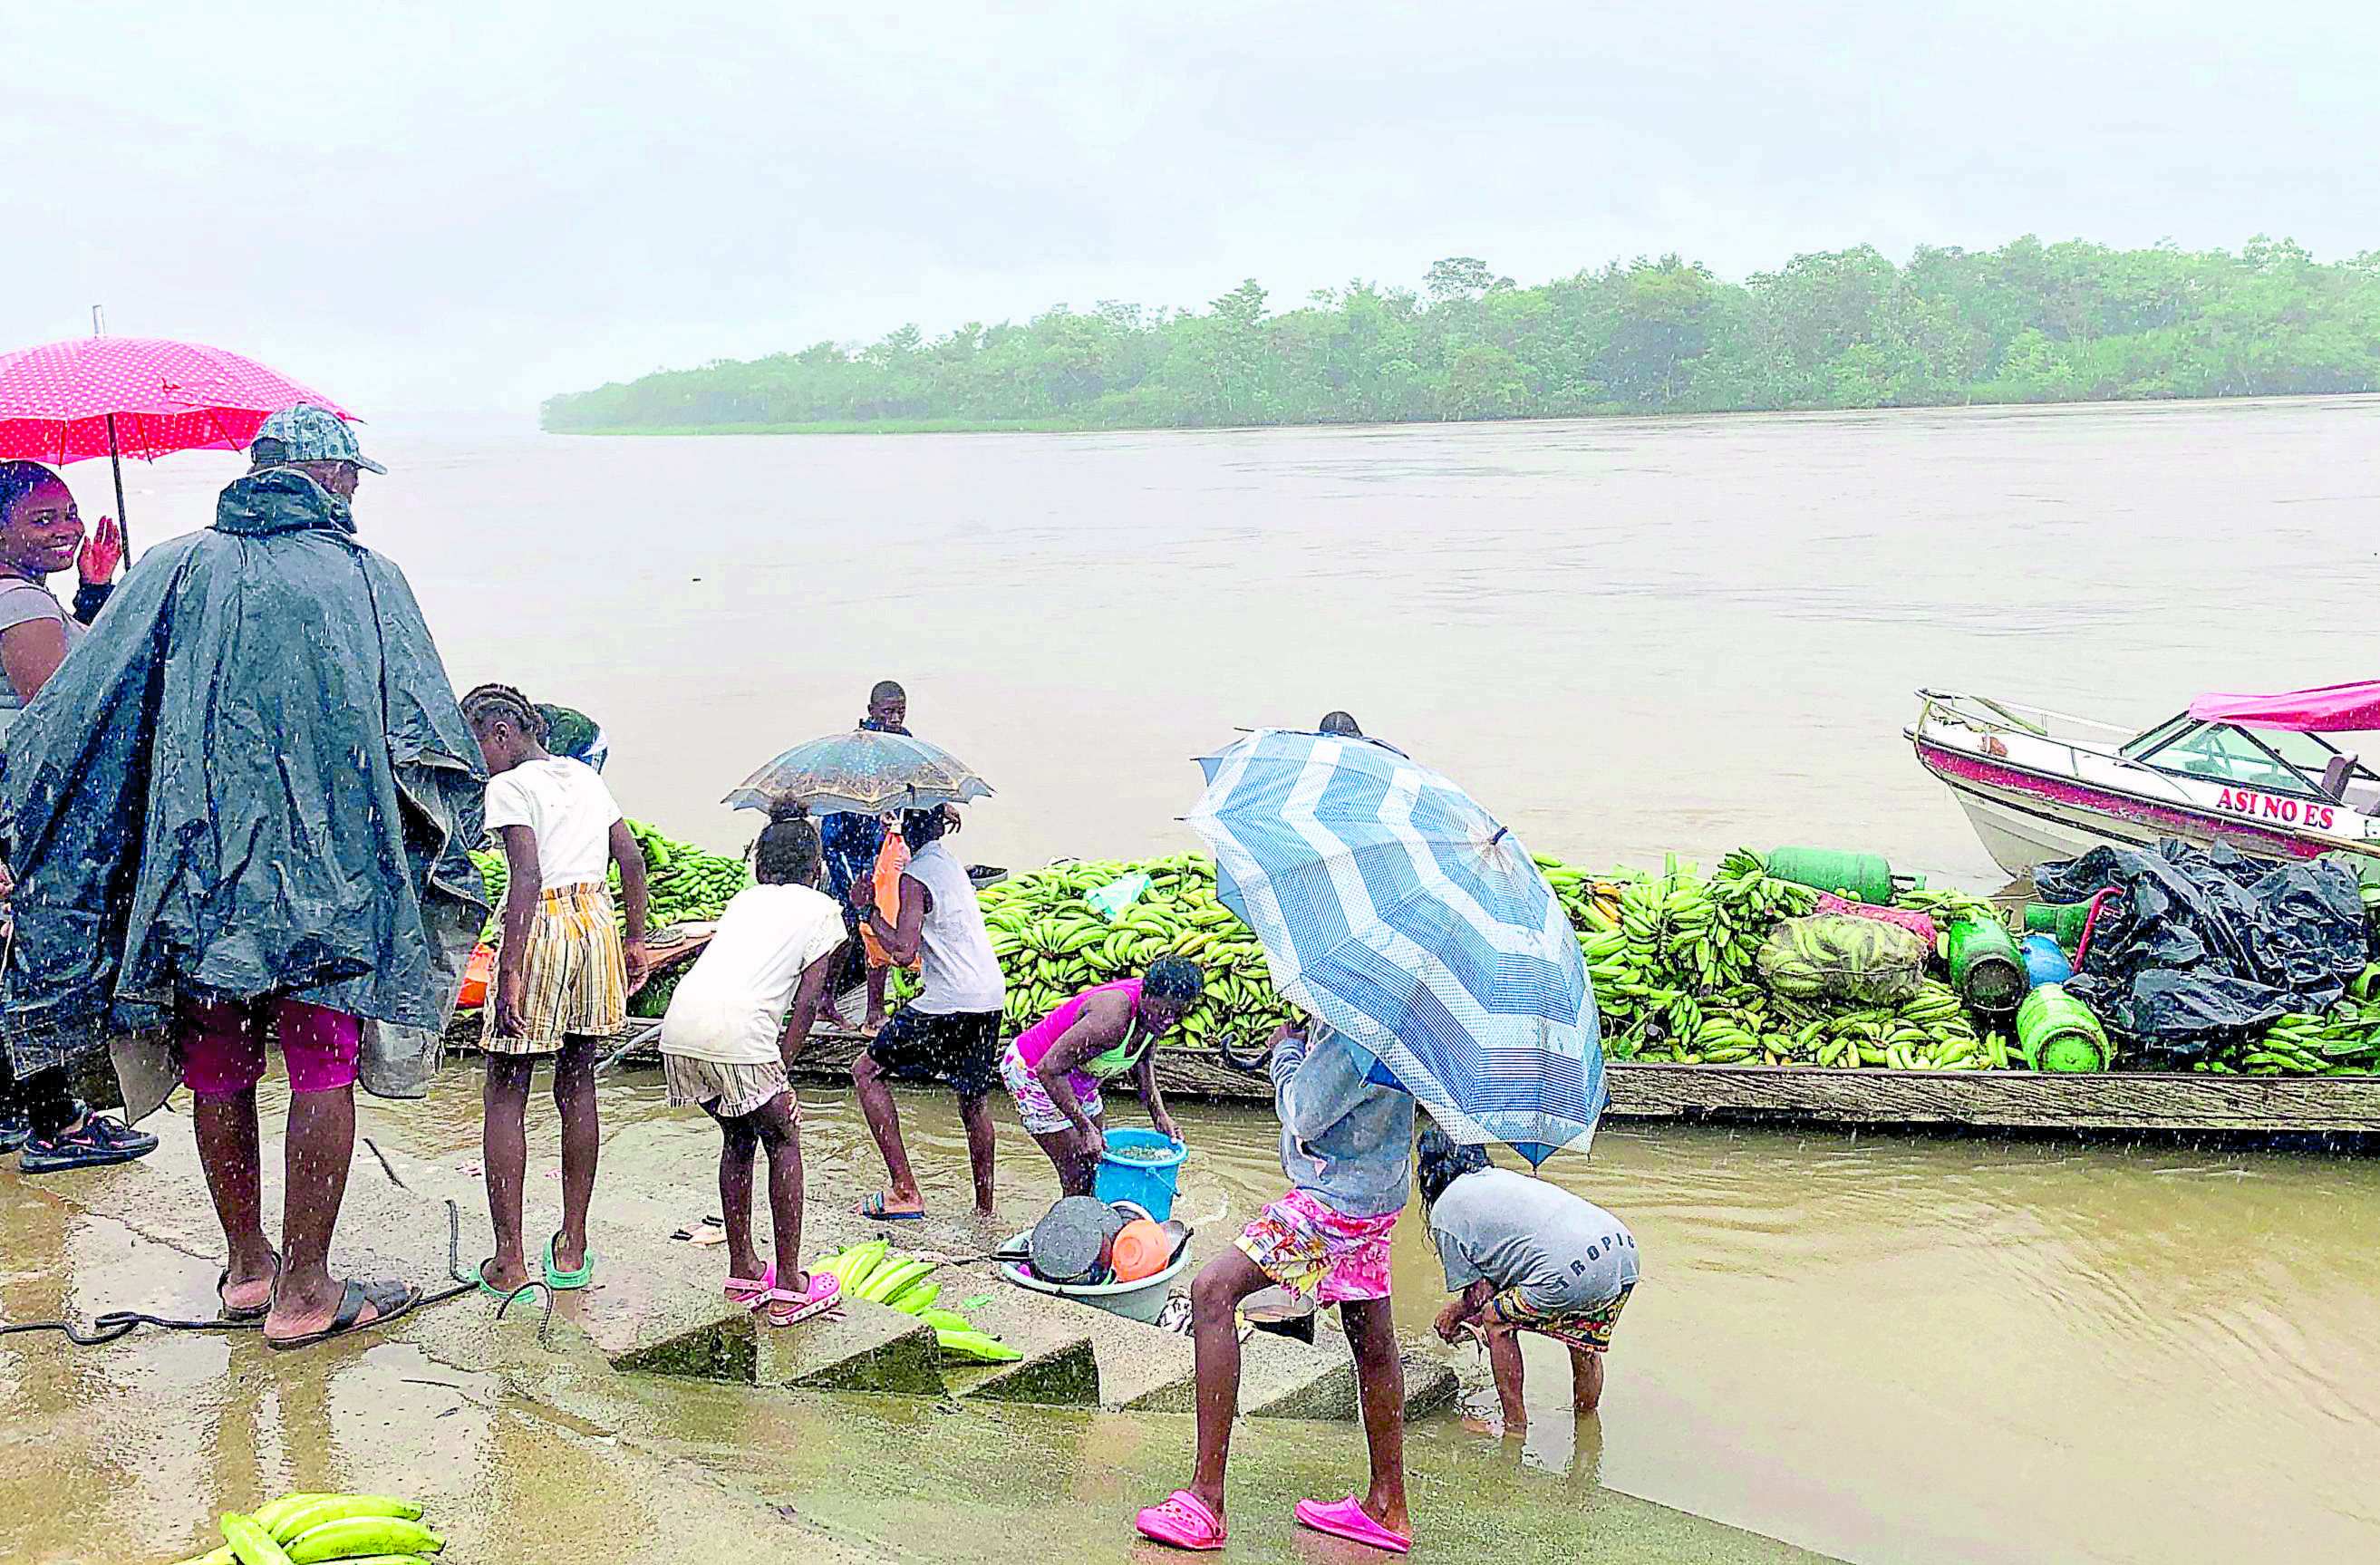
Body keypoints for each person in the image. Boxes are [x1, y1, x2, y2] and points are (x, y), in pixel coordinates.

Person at [0, 405, 485, 1348]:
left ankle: (247, 1266)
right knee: (321, 1062)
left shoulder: (171, 565)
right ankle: (307, 1289)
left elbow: (74, 719)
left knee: (217, 1065)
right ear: (333, 480)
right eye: (351, 480)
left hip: (196, 879)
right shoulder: (368, 579)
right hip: (332, 887)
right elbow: (429, 741)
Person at [1136, 1018, 1416, 1554]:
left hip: (1333, 1203)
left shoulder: (1359, 1026)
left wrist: (1285, 1051)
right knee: (1371, 1337)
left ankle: (1206, 1499)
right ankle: (1387, 1505)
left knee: (1212, 1292)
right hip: (1377, 1198)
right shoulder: (1411, 1018)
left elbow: (1304, 1113)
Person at [462, 683, 653, 1299]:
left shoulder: (508, 786)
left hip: (541, 922)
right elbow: (631, 858)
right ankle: (571, 1246)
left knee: (506, 1088)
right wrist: (635, 939)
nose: (476, 761)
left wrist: (511, 966)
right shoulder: (582, 775)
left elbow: (526, 873)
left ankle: (511, 1261)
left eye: (476, 744)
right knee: (578, 1081)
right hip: (595, 920)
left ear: (500, 733)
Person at [0, 459, 157, 1172]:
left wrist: (94, 588)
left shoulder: (30, 598)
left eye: (68, 513)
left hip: (17, 809)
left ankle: (25, 1112)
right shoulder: (20, 604)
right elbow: (62, 714)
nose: (66, 529)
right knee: (43, 961)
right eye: (42, 519)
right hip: (26, 812)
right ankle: (54, 1124)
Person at [658, 803, 846, 1325]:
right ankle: (789, 1284)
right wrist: (781, 1069)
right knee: (784, 1138)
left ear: (762, 864)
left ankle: (743, 1269)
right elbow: (808, 1002)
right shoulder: (822, 910)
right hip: (741, 1034)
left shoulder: (745, 901)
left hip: (682, 1029)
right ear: (815, 866)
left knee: (739, 1137)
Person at [1420, 1124, 1639, 1430]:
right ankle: (1587, 1424)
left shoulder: (1444, 1211)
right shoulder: (1500, 1178)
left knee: (1495, 1319)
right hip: (1622, 1250)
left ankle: (1514, 1426)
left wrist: (1453, 1314)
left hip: (1568, 1269)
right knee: (1583, 1339)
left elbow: (1479, 1296)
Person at [849, 804, 1004, 1220]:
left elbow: (902, 951)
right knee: (973, 1102)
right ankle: (984, 1208)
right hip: (988, 996)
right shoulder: (948, 863)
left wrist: (866, 913)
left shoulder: (914, 877)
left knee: (866, 1071)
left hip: (950, 1000)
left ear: (904, 826)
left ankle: (905, 1190)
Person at [1000, 957, 1200, 1195]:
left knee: (1098, 1164)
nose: (1169, 1021)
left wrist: (1159, 1116)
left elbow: (1143, 1061)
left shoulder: (1155, 1018)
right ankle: (1070, 1229)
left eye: (1177, 1014)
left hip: (1079, 1076)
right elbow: (1048, 1069)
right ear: (1145, 995)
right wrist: (1085, 1128)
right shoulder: (1112, 1020)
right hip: (1033, 1072)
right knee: (1078, 1176)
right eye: (1164, 1011)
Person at [820, 680, 909, 1031]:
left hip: (880, 847)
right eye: (888, 711)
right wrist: (880, 813)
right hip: (845, 844)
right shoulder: (858, 751)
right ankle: (841, 1003)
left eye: (901, 710)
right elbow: (856, 797)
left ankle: (864, 1007)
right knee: (857, 925)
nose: (895, 717)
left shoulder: (903, 741)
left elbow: (910, 784)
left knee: (874, 922)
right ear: (871, 711)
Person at [534, 701, 609, 773]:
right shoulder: (532, 714)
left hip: (591, 746)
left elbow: (554, 760)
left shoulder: (563, 725)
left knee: (586, 782)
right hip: (572, 743)